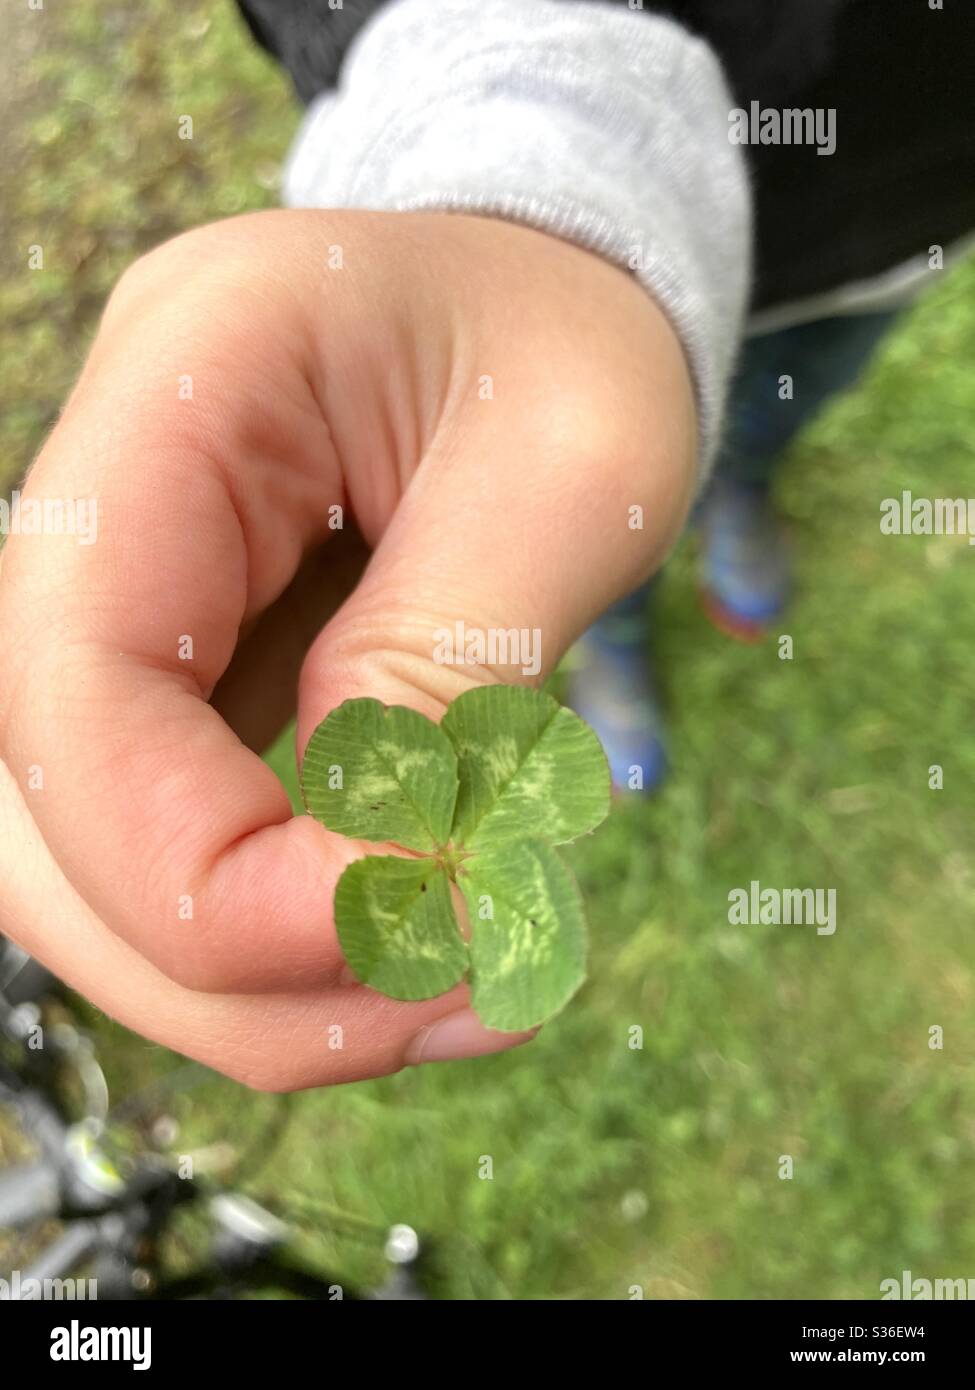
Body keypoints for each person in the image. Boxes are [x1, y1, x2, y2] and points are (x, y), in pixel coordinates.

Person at [0, 0, 971, 1089]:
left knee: (775, 406)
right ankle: (616, 638)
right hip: (520, 136)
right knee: (576, 539)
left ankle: (736, 492)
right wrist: (521, 173)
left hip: (904, 192)